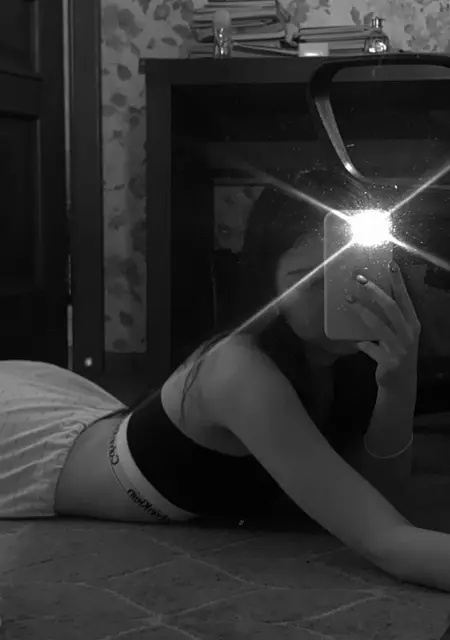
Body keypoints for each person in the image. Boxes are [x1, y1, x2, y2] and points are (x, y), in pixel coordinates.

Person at [2, 169, 450, 594]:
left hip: (88, 416)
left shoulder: (353, 360)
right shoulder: (240, 371)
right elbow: (386, 541)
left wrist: (398, 386)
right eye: (313, 282)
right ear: (269, 285)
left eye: (359, 278)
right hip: (30, 450)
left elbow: (384, 499)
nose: (344, 299)